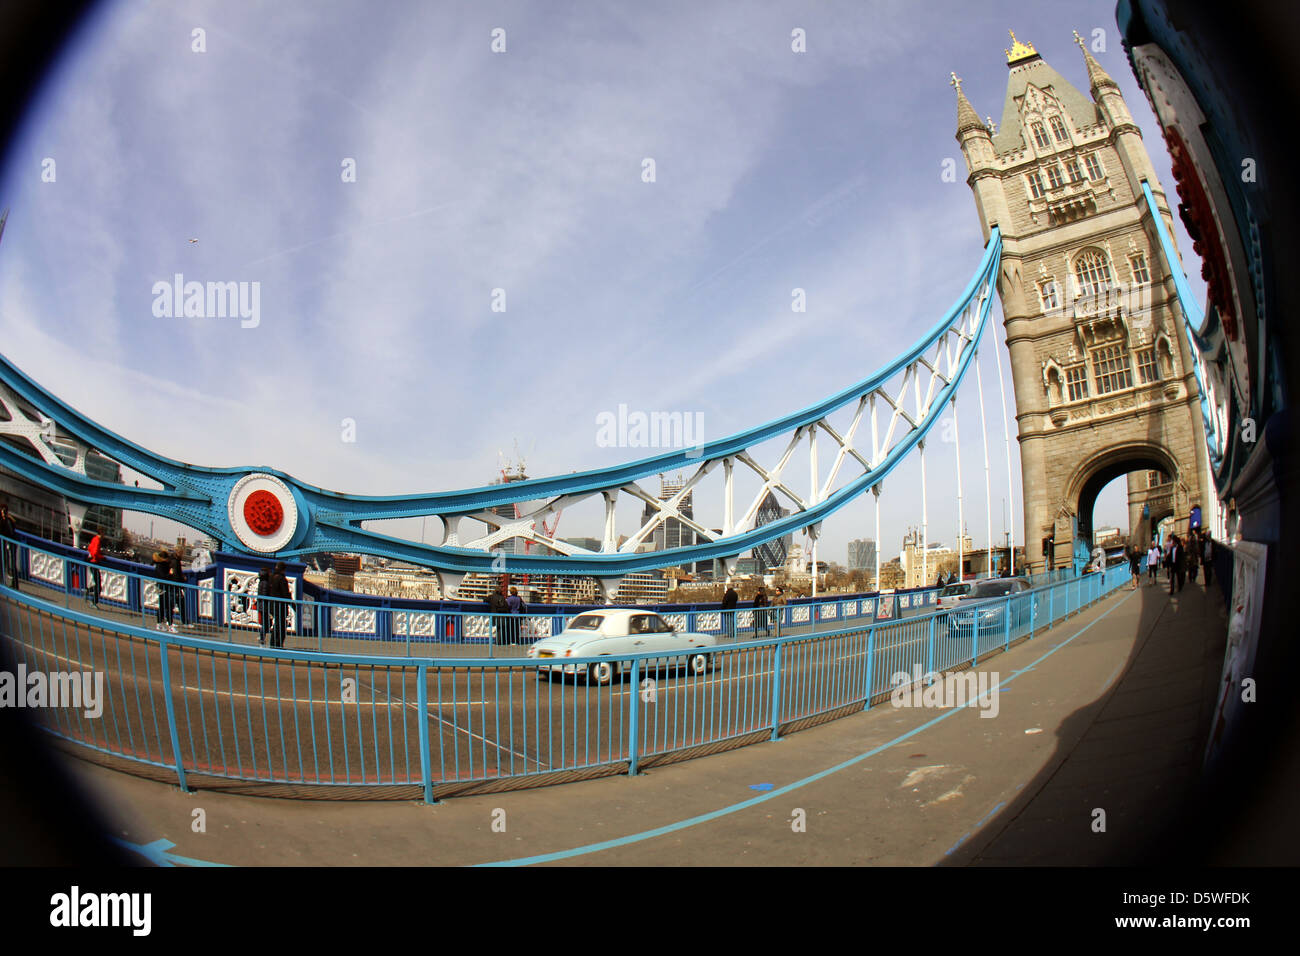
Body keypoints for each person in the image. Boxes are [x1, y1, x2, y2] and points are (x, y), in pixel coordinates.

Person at [268, 561, 292, 647]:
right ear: (283, 570)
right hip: (280, 605)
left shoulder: (271, 577)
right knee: (281, 625)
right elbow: (285, 593)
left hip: (272, 604)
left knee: (276, 624)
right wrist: (292, 604)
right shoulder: (282, 579)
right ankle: (278, 643)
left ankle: (273, 642)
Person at [153, 550, 174, 631]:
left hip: (163, 587)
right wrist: (170, 574)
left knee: (164, 606)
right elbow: (163, 576)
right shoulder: (160, 566)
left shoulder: (162, 565)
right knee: (163, 606)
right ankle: (161, 623)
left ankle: (162, 623)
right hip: (162, 588)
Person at [168, 549, 189, 626]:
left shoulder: (174, 560)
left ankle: (169, 621)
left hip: (174, 586)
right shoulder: (175, 562)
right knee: (178, 604)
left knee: (172, 605)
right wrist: (182, 581)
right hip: (175, 587)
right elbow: (176, 575)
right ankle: (183, 622)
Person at [0, 502, 18, 590]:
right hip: (7, 543)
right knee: (6, 561)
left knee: (10, 562)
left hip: (9, 543)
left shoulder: (7, 520)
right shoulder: (7, 519)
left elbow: (9, 532)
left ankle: (13, 583)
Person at [85, 532, 103, 607]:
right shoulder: (98, 540)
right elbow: (95, 552)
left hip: (91, 563)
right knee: (99, 586)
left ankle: (88, 590)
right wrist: (101, 557)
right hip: (95, 563)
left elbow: (89, 548)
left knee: (97, 583)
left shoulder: (94, 538)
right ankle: (93, 602)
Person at [256, 567, 272, 644]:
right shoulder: (266, 582)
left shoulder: (261, 581)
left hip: (261, 604)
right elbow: (265, 593)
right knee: (265, 622)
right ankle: (262, 637)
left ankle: (262, 636)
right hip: (265, 605)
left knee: (264, 621)